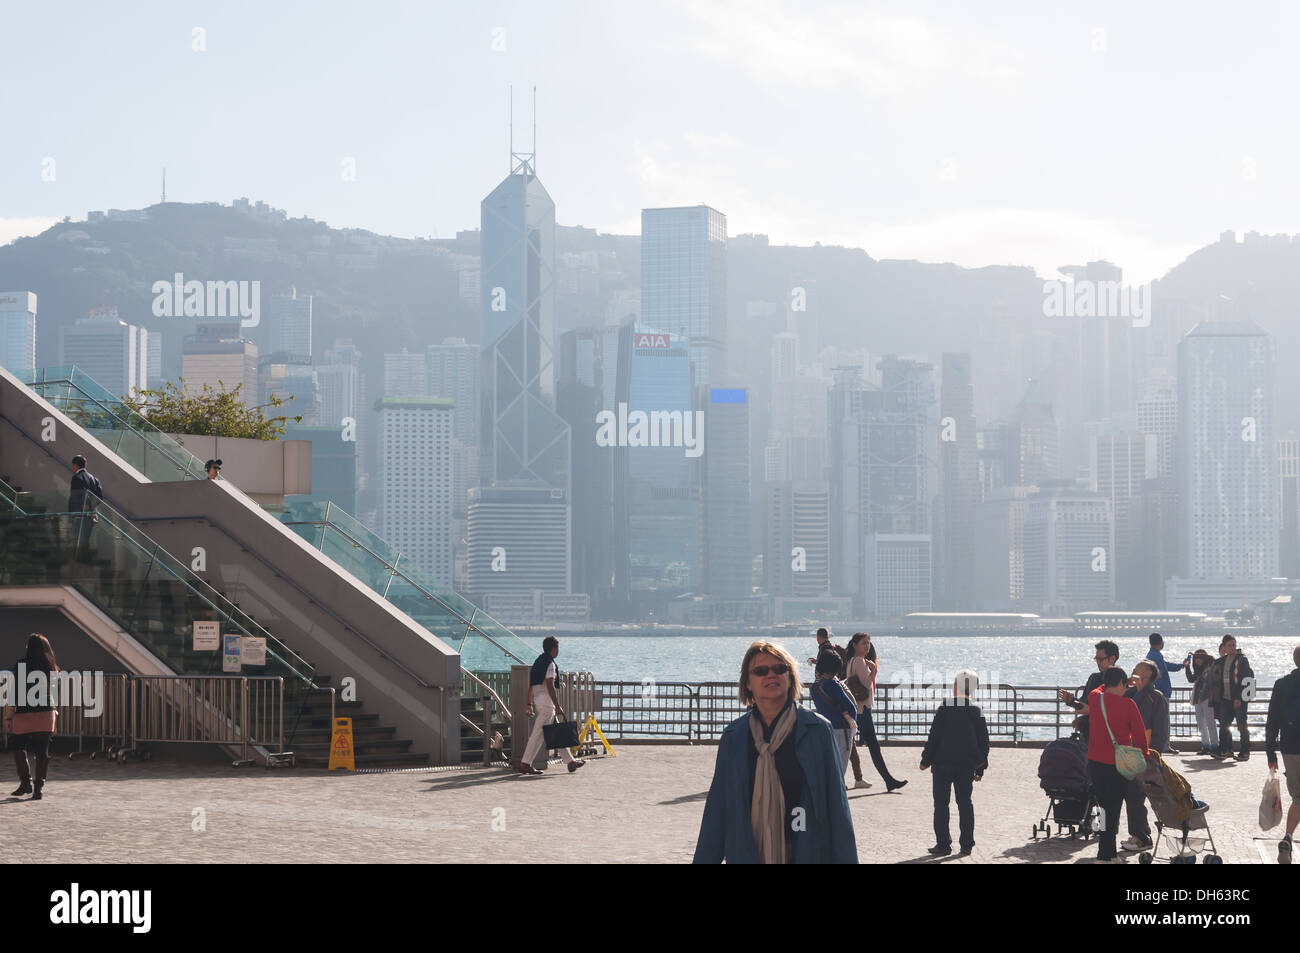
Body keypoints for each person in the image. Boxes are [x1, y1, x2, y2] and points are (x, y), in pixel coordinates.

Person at [695, 641, 857, 863]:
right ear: (748, 683)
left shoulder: (818, 730)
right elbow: (717, 813)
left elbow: (837, 809)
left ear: (790, 677)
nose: (771, 675)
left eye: (780, 669)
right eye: (761, 671)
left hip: (806, 853)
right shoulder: (734, 737)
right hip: (748, 854)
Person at [920, 669, 989, 857]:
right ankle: (967, 844)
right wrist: (981, 767)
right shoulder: (977, 710)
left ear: (955, 687)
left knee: (941, 804)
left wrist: (925, 759)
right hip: (966, 764)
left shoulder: (945, 707)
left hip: (942, 763)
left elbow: (934, 736)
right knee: (965, 803)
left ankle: (943, 844)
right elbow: (984, 742)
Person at [1086, 667, 1149, 862]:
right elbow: (1140, 738)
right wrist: (1145, 758)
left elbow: (1100, 689)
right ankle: (1107, 856)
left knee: (1102, 808)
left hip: (1095, 763)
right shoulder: (1129, 705)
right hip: (1117, 766)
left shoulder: (1095, 698)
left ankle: (1105, 852)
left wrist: (1113, 681)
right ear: (1122, 683)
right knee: (1113, 810)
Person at [1117, 660, 1169, 852]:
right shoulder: (1130, 693)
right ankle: (1136, 834)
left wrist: (1152, 756)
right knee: (1129, 796)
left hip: (1143, 755)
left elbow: (1161, 731)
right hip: (1126, 753)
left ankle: (1142, 836)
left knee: (1136, 795)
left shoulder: (1156, 698)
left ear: (1148, 673)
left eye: (1139, 667)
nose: (1134, 668)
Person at [517, 636, 584, 776]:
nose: (558, 650)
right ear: (554, 649)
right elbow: (550, 686)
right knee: (537, 735)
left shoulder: (538, 662)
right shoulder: (550, 664)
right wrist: (557, 705)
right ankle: (525, 763)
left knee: (556, 732)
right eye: (558, 648)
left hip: (539, 702)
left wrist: (529, 703)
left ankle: (570, 762)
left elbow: (532, 685)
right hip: (547, 705)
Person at [848, 634, 906, 792]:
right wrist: (874, 669)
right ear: (855, 645)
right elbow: (866, 683)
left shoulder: (852, 660)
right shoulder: (859, 661)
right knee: (873, 746)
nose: (867, 646)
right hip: (862, 709)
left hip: (858, 708)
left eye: (868, 643)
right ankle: (889, 780)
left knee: (858, 745)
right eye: (863, 643)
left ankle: (888, 780)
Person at [8, 634, 59, 800]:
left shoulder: (21, 665)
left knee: (17, 746)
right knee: (42, 752)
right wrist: (54, 714)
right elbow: (53, 693)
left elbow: (13, 692)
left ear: (28, 647)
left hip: (25, 712)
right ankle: (39, 788)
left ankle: (25, 782)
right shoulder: (50, 667)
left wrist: (8, 717)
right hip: (46, 712)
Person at [1265, 645, 1300, 864]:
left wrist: (1270, 754)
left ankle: (1288, 837)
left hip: (1289, 748)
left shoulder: (1282, 684)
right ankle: (1288, 838)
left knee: (1298, 797)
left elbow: (1271, 721)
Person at [810, 651, 859, 780]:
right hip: (841, 729)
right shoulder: (834, 685)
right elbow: (851, 708)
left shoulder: (814, 688)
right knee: (839, 769)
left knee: (828, 766)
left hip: (825, 730)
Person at [1061, 640, 1119, 742]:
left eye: (1101, 659)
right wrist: (1071, 701)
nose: (1098, 663)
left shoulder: (1120, 682)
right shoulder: (1094, 678)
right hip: (1089, 733)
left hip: (1110, 736)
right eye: (1096, 659)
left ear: (1112, 659)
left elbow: (1117, 713)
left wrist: (1088, 713)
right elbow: (1084, 704)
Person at [1209, 634, 1254, 761]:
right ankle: (1225, 750)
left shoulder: (1242, 660)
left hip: (1238, 699)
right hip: (1225, 699)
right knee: (1224, 726)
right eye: (1229, 645)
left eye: (1233, 645)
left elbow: (1245, 679)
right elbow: (1213, 665)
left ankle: (1245, 751)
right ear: (1224, 647)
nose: (1232, 648)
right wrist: (1222, 653)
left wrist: (1239, 698)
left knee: (1241, 726)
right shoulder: (1222, 660)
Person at [67, 453, 103, 556]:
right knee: (86, 538)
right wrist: (91, 508)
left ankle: (80, 560)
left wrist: (71, 514)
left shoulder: (77, 478)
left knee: (78, 539)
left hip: (79, 515)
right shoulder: (94, 479)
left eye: (72, 465)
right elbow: (100, 497)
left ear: (75, 465)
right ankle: (86, 559)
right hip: (92, 515)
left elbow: (74, 497)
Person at [1183, 649, 1216, 755]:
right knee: (1201, 723)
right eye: (1196, 659)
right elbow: (1190, 679)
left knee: (1210, 722)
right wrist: (1187, 666)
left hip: (1207, 698)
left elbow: (1211, 658)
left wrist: (1194, 654)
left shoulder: (1210, 667)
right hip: (1197, 699)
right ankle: (1206, 745)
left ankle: (1215, 746)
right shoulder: (1197, 670)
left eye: (1200, 658)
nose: (1198, 661)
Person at [1144, 633, 1183, 702]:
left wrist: (1181, 665)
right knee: (1162, 712)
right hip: (1160, 694)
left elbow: (1167, 666)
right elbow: (1160, 676)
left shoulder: (1153, 655)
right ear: (1161, 643)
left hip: (1159, 693)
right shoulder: (1155, 656)